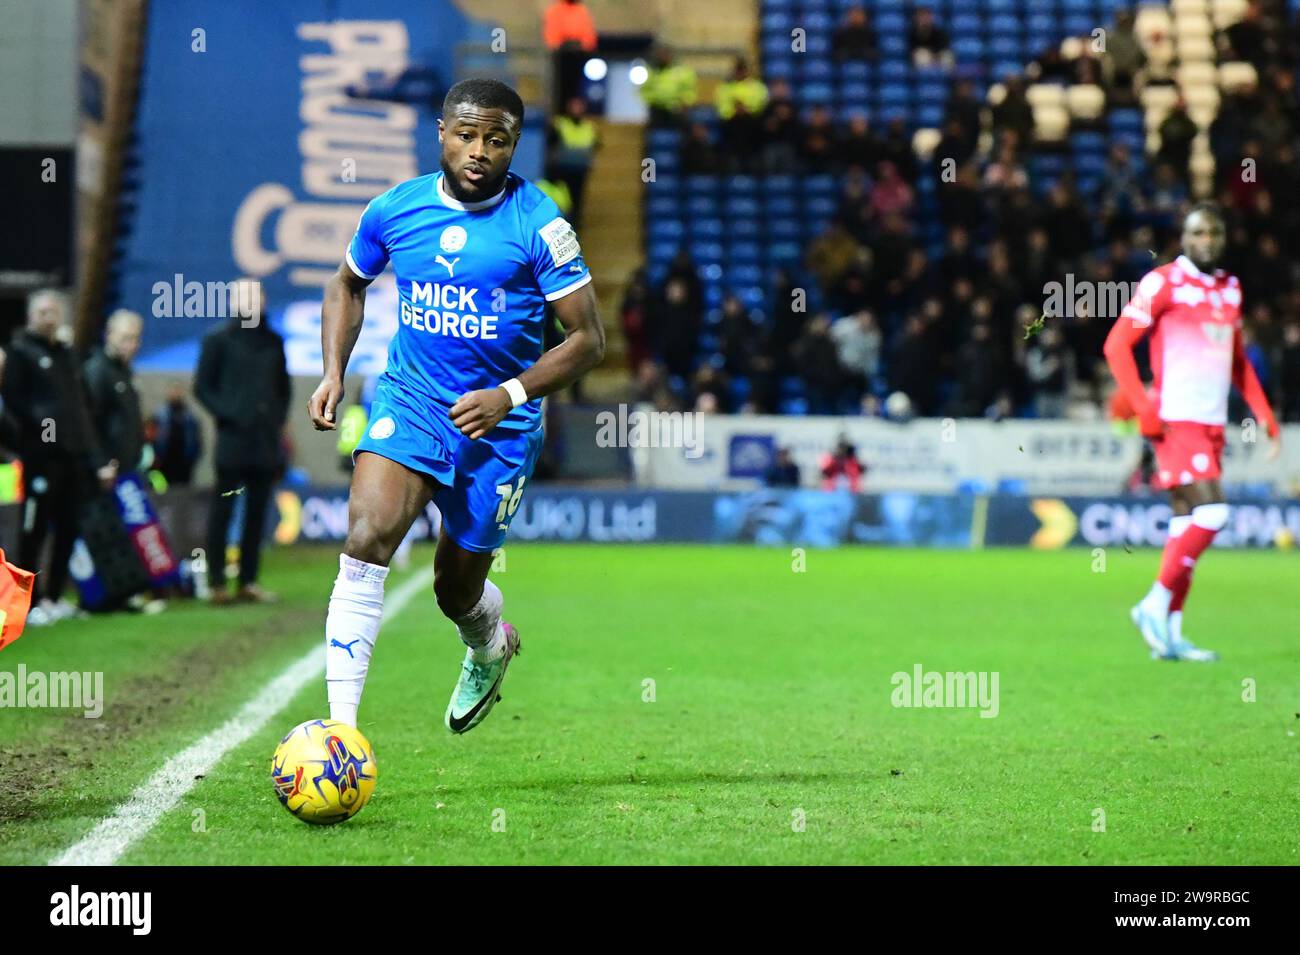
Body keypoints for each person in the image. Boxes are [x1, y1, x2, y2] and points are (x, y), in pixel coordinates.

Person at [307, 78, 604, 735]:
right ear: (441, 132)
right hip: (413, 401)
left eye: (495, 140)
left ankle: (488, 643)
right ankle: (340, 733)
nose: (479, 151)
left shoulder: (542, 225)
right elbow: (348, 284)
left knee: (454, 590)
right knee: (366, 538)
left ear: (513, 145)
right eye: (467, 135)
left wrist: (509, 394)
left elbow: (588, 339)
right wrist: (335, 371)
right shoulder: (395, 209)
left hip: (501, 425)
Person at [1103, 203, 1281, 661]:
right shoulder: (1162, 282)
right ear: (1184, 238)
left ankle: (1172, 633)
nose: (1208, 240)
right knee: (1214, 513)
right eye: (1199, 232)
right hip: (1176, 418)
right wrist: (1142, 406)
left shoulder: (1230, 288)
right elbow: (1117, 343)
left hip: (1211, 420)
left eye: (1215, 233)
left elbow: (1237, 360)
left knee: (1186, 522)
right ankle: (1153, 604)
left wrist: (1264, 412)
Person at [2, 290, 116, 625]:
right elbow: (13, 399)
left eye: (53, 311)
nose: (47, 317)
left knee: (68, 527)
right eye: (41, 311)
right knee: (33, 530)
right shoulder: (21, 353)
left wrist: (92, 455)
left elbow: (80, 408)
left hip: (73, 457)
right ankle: (27, 603)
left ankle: (52, 597)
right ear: (30, 315)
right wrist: (38, 429)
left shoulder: (67, 355)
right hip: (41, 457)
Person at [194, 281, 290, 605]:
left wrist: (274, 420)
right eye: (243, 297)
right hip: (232, 442)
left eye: (255, 296)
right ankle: (217, 582)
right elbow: (202, 387)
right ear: (234, 302)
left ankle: (249, 581)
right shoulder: (217, 340)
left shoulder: (274, 342)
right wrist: (231, 414)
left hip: (264, 443)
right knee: (222, 511)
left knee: (257, 514)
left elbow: (283, 388)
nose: (250, 303)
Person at [83, 309, 145, 476]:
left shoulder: (126, 372)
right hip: (105, 472)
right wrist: (99, 462)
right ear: (109, 335)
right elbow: (87, 422)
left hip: (127, 468)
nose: (132, 345)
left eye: (136, 339)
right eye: (126, 338)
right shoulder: (96, 371)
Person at [548, 97, 598, 226]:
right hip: (562, 168)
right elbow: (551, 143)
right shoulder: (560, 124)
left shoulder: (589, 127)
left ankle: (575, 225)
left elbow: (596, 144)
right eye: (574, 106)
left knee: (577, 199)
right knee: (562, 199)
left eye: (579, 106)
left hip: (581, 169)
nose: (577, 109)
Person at [542, 0, 597, 112]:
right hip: (561, 57)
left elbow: (589, 37)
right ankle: (560, 111)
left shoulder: (581, 10)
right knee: (560, 89)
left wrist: (583, 46)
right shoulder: (556, 10)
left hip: (579, 56)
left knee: (578, 89)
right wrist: (560, 45)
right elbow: (552, 38)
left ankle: (575, 110)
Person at [152, 383, 202, 486]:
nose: (175, 395)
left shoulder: (190, 417)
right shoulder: (160, 415)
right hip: (163, 461)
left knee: (184, 490)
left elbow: (196, 440)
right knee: (160, 489)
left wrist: (193, 457)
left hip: (184, 462)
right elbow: (152, 436)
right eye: (173, 393)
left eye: (178, 393)